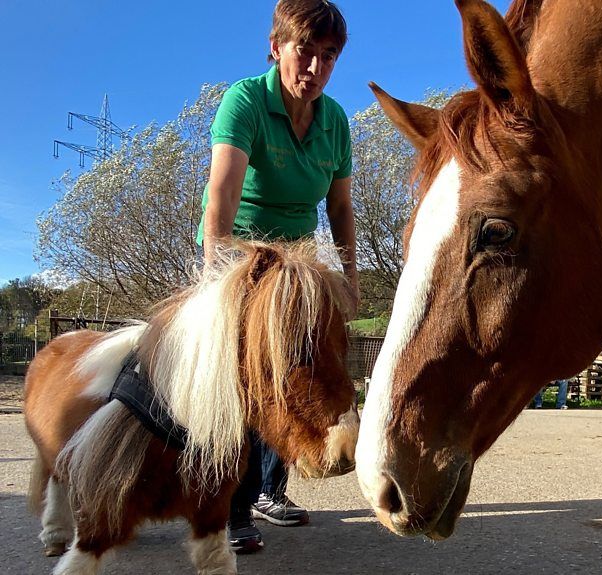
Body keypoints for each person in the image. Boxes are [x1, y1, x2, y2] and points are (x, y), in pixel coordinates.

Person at [196, 0, 357, 554]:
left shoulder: (334, 120)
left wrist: (349, 276)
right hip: (243, 255)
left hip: (299, 261)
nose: (315, 68)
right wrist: (218, 281)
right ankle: (231, 508)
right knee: (249, 381)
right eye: (304, 52)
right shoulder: (244, 100)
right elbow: (222, 194)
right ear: (276, 47)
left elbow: (339, 208)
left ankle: (272, 489)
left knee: (305, 369)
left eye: (329, 56)